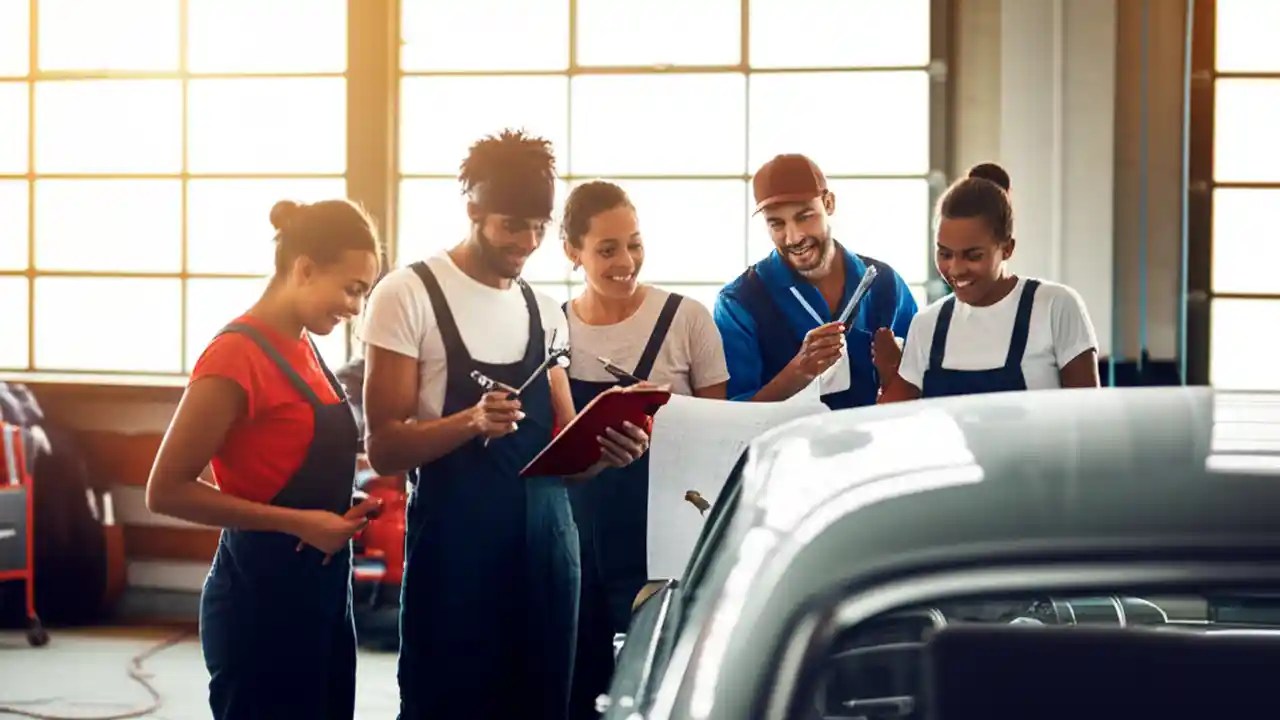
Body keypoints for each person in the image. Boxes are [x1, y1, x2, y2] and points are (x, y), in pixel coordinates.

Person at [358, 129, 651, 720]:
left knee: (543, 706)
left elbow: (567, 455)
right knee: (446, 703)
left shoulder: (544, 313)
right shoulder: (409, 293)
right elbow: (385, 447)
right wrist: (469, 421)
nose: (528, 241)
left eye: (540, 226)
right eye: (513, 225)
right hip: (457, 552)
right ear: (474, 211)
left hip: (549, 551)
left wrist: (609, 450)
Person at [145, 199, 384, 720]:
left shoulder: (307, 345)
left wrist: (341, 507)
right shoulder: (236, 354)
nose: (356, 307)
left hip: (322, 593)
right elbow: (165, 489)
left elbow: (284, 457)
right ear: (303, 269)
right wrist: (300, 522)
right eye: (352, 288)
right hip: (260, 600)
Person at [558, 181, 730, 719]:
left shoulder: (688, 319)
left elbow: (719, 435)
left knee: (663, 684)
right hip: (578, 540)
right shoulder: (554, 327)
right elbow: (551, 449)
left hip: (666, 541)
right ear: (572, 252)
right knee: (579, 688)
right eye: (607, 249)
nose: (625, 261)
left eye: (634, 244)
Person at [876, 163, 1101, 401]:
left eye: (973, 256)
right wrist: (890, 371)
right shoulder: (926, 325)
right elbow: (898, 419)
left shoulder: (1055, 306)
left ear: (1007, 249)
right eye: (945, 254)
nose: (956, 268)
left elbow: (1087, 419)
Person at [714, 153, 919, 409]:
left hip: (872, 445)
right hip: (786, 448)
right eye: (776, 224)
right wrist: (799, 372)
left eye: (804, 216)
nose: (794, 237)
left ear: (829, 203)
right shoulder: (739, 301)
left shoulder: (884, 284)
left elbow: (923, 382)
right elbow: (734, 418)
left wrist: (895, 371)